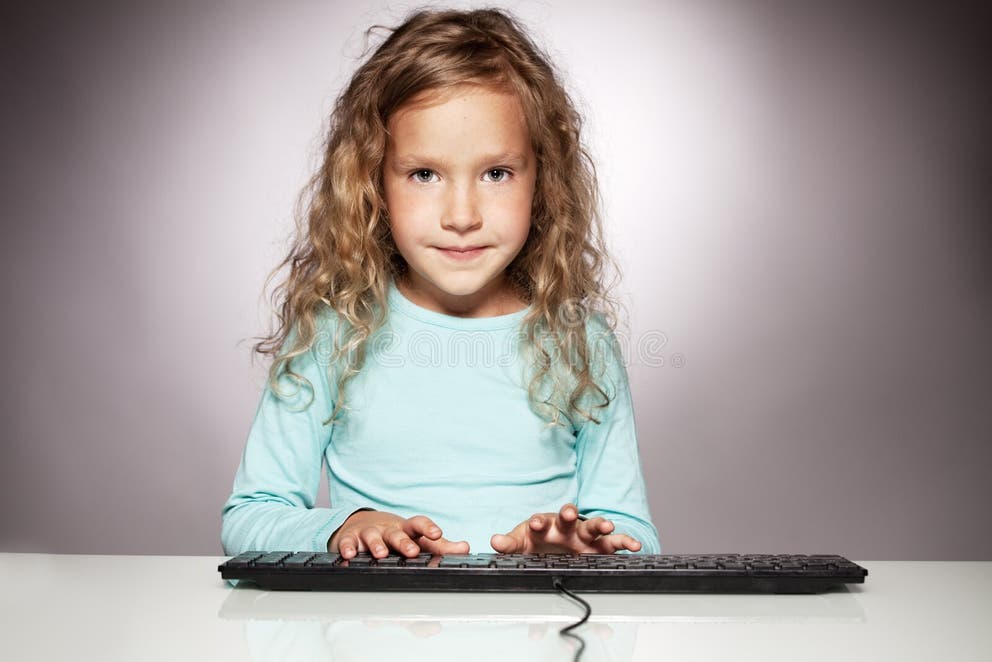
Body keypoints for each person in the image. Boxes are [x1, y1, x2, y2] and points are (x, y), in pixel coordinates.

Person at [221, 8, 660, 559]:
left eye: (495, 173)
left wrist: (586, 546)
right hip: (378, 641)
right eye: (424, 174)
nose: (461, 214)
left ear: (541, 182)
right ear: (373, 183)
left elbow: (634, 533)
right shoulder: (334, 336)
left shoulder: (581, 342)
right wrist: (345, 526)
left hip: (537, 641)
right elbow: (250, 518)